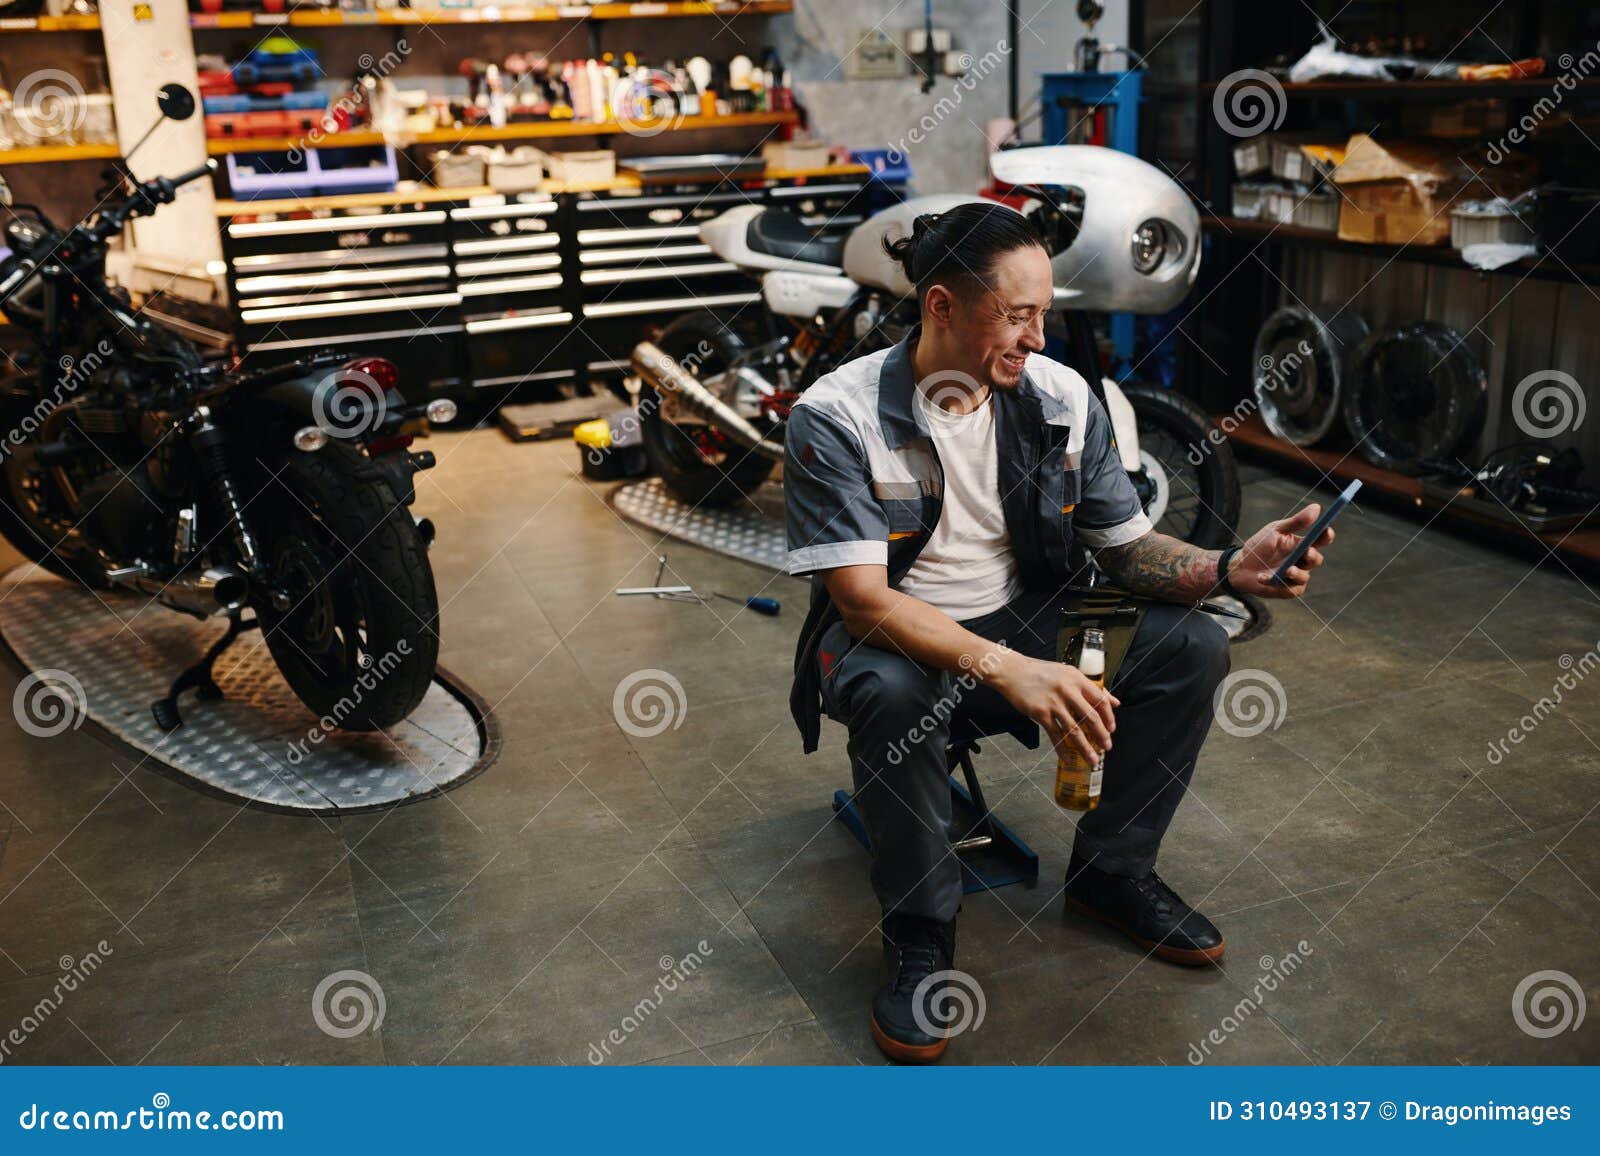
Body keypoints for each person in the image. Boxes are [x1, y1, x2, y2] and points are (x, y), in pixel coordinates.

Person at [782, 202, 1335, 1064]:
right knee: (891, 693)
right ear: (941, 307)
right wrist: (1011, 671)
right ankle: (921, 936)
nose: (1038, 337)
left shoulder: (1059, 397)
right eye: (1016, 316)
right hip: (897, 632)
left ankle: (1111, 875)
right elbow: (861, 601)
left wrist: (1230, 569)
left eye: (1044, 313)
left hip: (1026, 612)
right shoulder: (837, 414)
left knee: (1191, 644)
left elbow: (1126, 550)